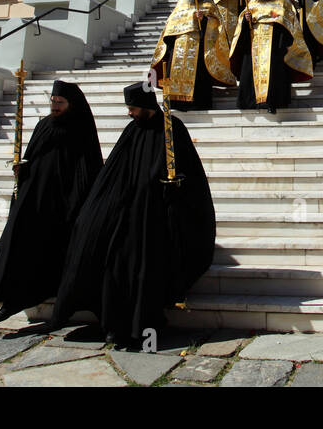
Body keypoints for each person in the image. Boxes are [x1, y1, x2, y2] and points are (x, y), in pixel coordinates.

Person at [49, 83, 216, 348]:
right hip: (126, 209)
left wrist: (177, 184)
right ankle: (113, 324)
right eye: (129, 109)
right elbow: (113, 171)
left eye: (133, 108)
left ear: (147, 106)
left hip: (154, 213)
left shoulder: (172, 129)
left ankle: (142, 324)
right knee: (100, 245)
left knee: (142, 265)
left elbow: (192, 174)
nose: (130, 114)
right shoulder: (132, 130)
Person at [0, 80, 102, 324]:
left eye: (60, 103)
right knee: (23, 246)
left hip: (65, 202)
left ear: (71, 104)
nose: (55, 106)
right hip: (36, 200)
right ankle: (13, 300)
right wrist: (21, 168)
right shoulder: (44, 125)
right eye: (53, 102)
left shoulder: (80, 128)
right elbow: (32, 156)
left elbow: (87, 167)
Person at [228, 0, 313, 113]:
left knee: (274, 74)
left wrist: (281, 36)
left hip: (274, 44)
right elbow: (243, 24)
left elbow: (289, 21)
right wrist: (245, 20)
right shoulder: (253, 1)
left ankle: (272, 101)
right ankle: (252, 102)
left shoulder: (282, 1)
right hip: (254, 44)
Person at [150, 0, 235, 111]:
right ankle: (176, 103)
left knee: (198, 77)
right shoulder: (180, 4)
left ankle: (197, 104)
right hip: (178, 46)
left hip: (198, 47)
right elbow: (170, 25)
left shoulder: (207, 5)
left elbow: (216, 26)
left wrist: (204, 20)